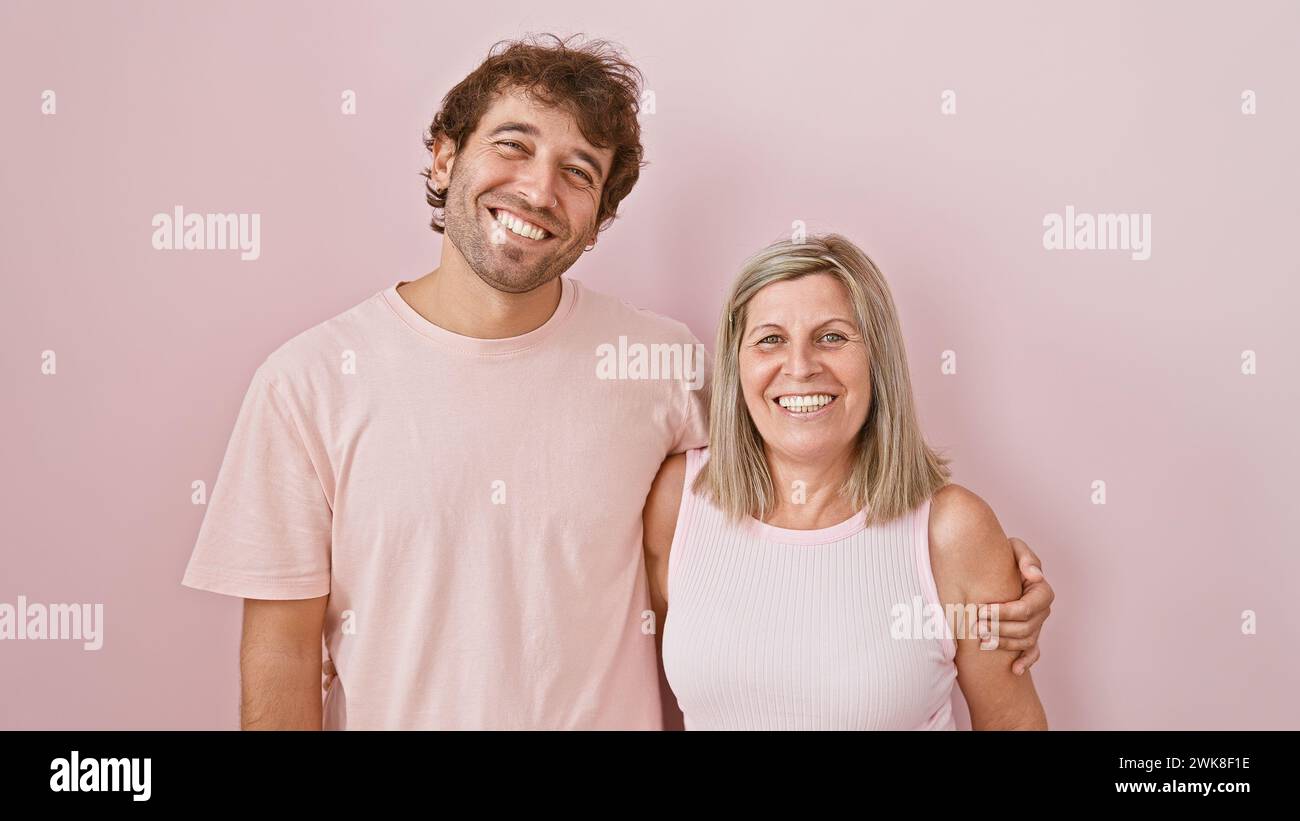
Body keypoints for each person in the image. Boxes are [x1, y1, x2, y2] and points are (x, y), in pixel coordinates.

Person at [181, 34, 1052, 730]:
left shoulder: (663, 365)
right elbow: (283, 664)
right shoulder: (307, 384)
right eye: (512, 146)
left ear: (597, 220)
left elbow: (808, 489)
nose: (538, 187)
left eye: (578, 172)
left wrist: (977, 577)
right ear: (444, 159)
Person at [644, 234, 1049, 729]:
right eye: (770, 339)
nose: (800, 367)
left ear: (877, 359)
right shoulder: (677, 501)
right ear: (736, 364)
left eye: (832, 337)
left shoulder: (953, 531)